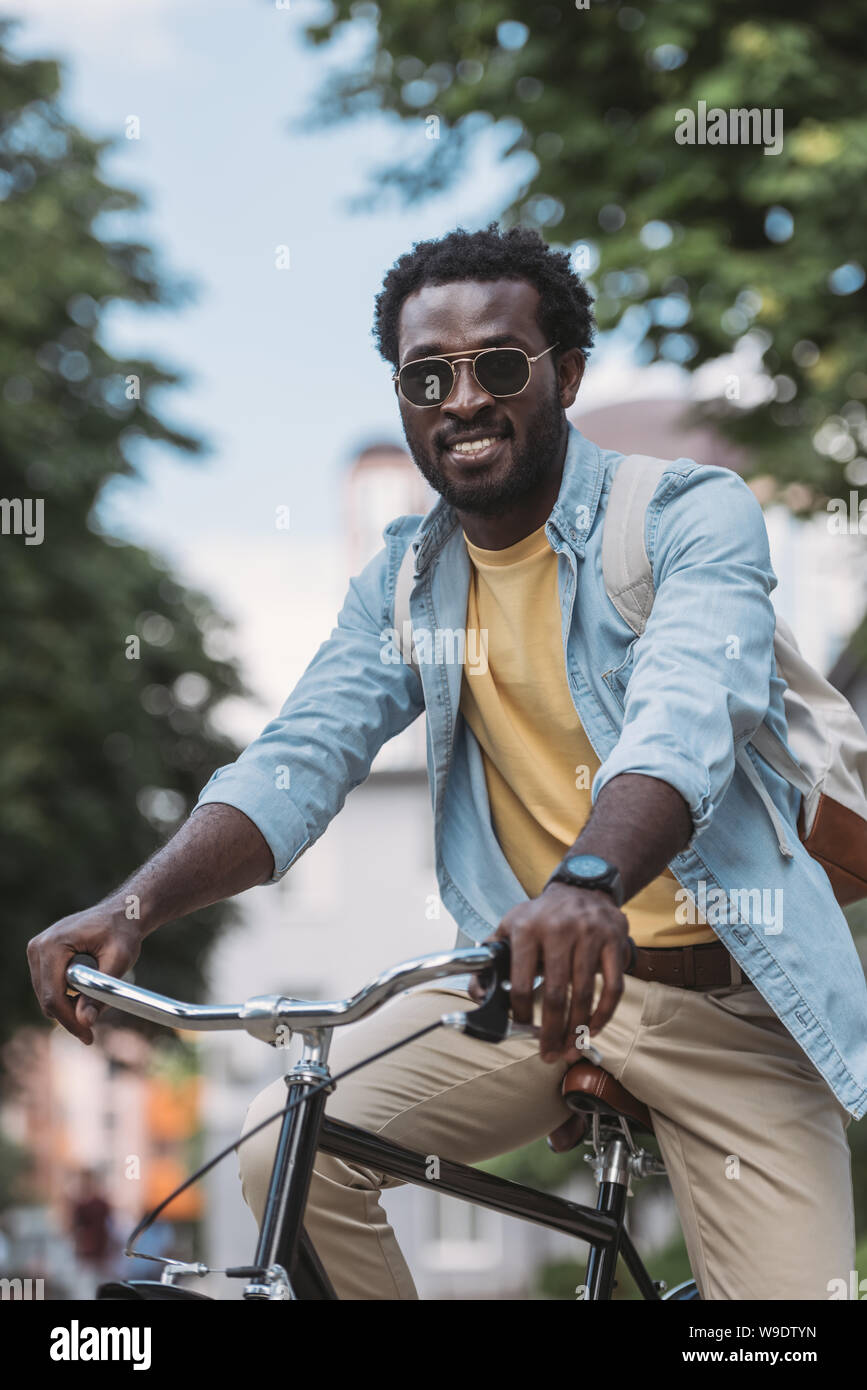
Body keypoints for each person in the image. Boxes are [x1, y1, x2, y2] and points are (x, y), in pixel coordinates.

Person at [29, 225, 866, 1300]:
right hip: (539, 996)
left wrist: (586, 883)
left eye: (498, 366)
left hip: (735, 1001)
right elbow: (299, 757)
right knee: (285, 1134)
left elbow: (686, 721)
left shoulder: (681, 517)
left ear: (565, 374)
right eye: (427, 376)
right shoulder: (405, 585)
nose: (461, 399)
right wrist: (136, 904)